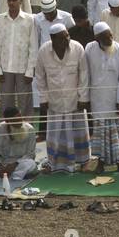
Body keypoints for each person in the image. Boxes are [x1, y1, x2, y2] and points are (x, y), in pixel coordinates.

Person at [35, 22, 91, 173]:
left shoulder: (78, 48)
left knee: (78, 133)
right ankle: (57, 163)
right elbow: (40, 77)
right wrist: (43, 99)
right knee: (57, 135)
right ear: (53, 39)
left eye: (67, 35)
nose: (68, 38)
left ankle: (83, 161)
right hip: (55, 102)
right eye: (63, 37)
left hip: (75, 100)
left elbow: (84, 74)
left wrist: (83, 97)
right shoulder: (43, 51)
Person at [84, 22, 119, 172]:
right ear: (97, 38)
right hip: (97, 98)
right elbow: (86, 74)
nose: (110, 39)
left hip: (115, 97)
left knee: (117, 131)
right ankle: (100, 163)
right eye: (106, 37)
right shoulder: (89, 48)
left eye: (111, 35)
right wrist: (86, 98)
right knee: (100, 132)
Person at [0, 106, 39, 193]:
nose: (20, 121)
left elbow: (30, 154)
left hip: (20, 164)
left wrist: (14, 164)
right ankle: (10, 177)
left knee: (30, 164)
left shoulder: (30, 129)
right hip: (2, 164)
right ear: (8, 121)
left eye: (20, 117)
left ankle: (7, 177)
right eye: (16, 119)